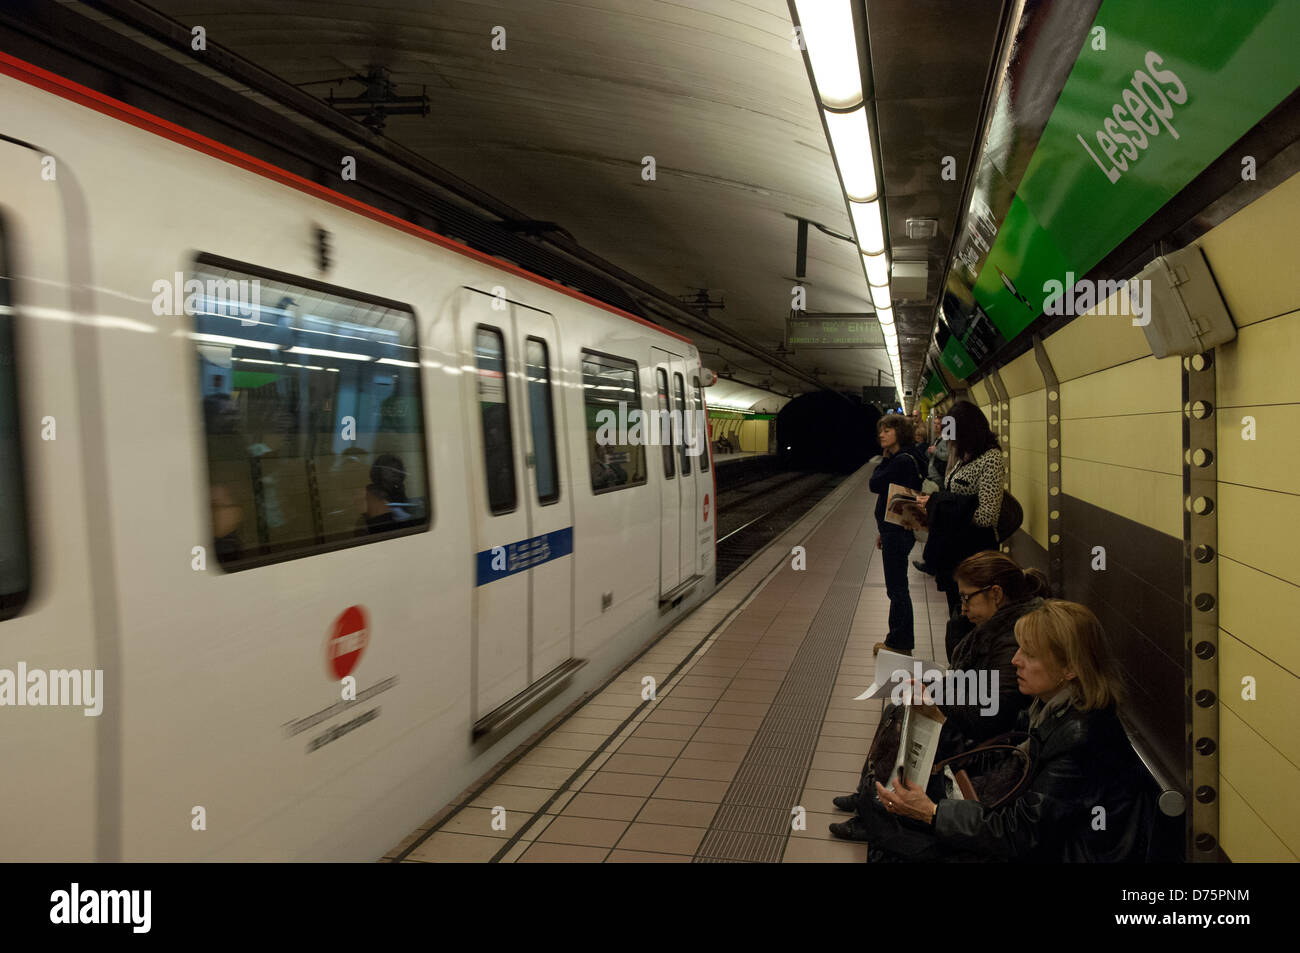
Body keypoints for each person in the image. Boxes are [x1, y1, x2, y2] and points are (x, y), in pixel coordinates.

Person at [858, 600, 1155, 862]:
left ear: (1069, 669)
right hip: (1049, 839)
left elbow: (1021, 832)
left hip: (1067, 851)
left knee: (897, 836)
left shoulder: (1081, 737)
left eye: (1030, 654)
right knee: (895, 823)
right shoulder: (1054, 707)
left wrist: (933, 814)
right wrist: (939, 722)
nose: (1016, 661)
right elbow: (1007, 765)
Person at [830, 552, 1048, 839]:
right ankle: (869, 796)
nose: (963, 605)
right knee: (901, 706)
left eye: (968, 598)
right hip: (980, 718)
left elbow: (995, 710)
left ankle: (875, 814)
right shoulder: (997, 625)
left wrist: (937, 699)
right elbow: (975, 681)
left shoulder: (1012, 636)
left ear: (995, 594)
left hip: (993, 738)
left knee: (906, 716)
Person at [916, 400, 1004, 617]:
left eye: (953, 433)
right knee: (956, 615)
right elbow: (953, 497)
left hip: (974, 553)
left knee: (969, 617)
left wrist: (940, 504)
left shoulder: (991, 459)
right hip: (954, 550)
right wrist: (933, 504)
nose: (951, 440)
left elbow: (987, 516)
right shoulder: (964, 457)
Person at [869, 414, 925, 657]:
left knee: (897, 588)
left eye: (888, 430)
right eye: (881, 430)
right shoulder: (912, 456)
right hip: (896, 527)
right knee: (897, 586)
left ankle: (899, 642)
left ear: (899, 433)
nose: (882, 434)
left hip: (897, 530)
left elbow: (874, 483)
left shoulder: (900, 460)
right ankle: (898, 639)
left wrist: (884, 459)